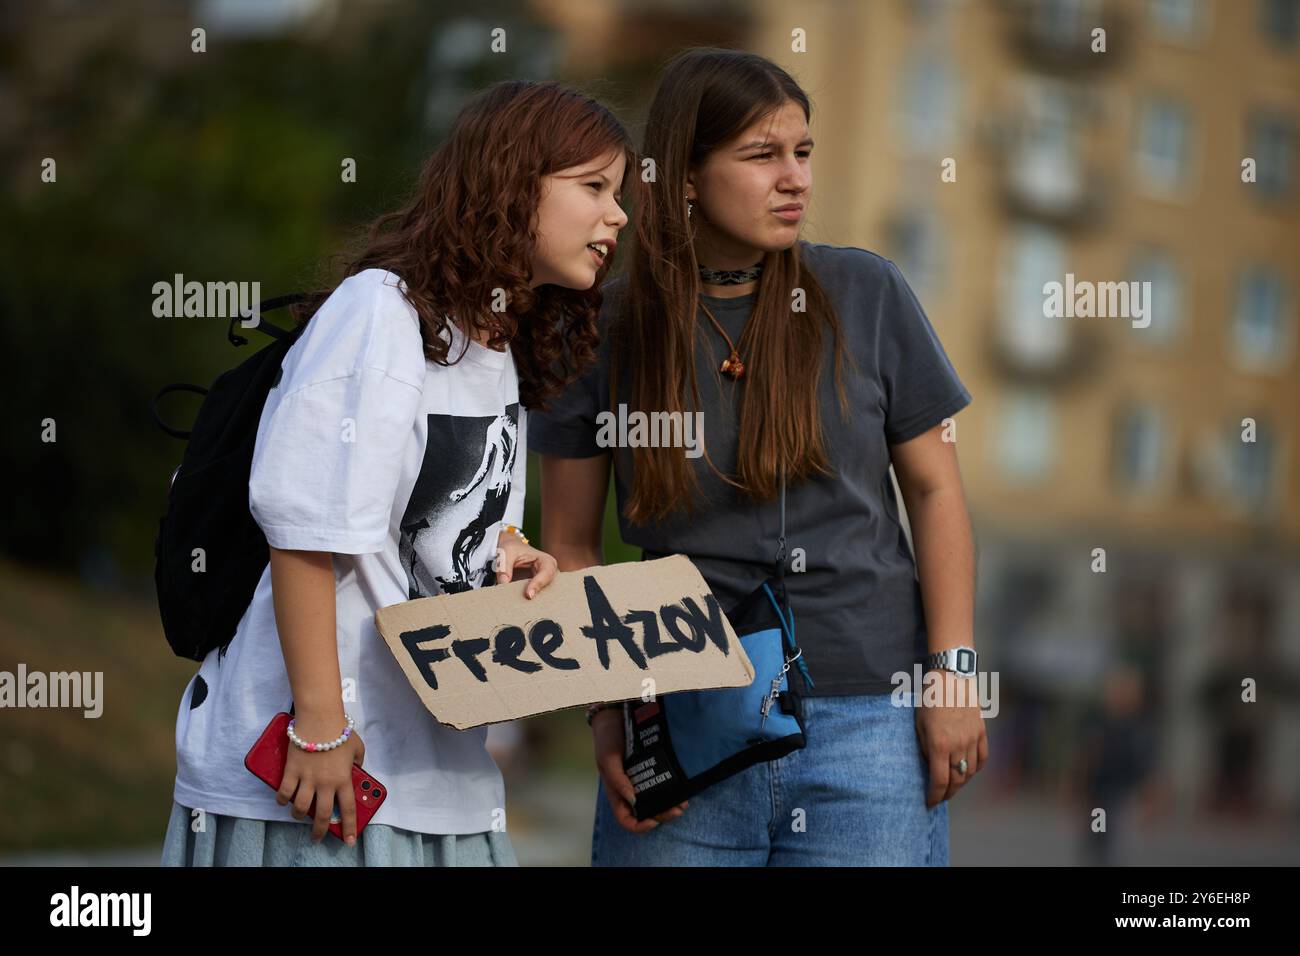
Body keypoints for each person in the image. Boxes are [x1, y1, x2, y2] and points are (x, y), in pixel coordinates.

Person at [530, 49, 986, 866]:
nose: (795, 179)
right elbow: (570, 542)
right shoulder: (603, 323)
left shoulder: (866, 293)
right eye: (762, 155)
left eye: (803, 153)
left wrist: (952, 673)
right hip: (679, 718)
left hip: (869, 723)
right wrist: (608, 712)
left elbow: (937, 492)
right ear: (688, 177)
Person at [161, 80, 631, 866]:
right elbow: (304, 529)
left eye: (619, 193)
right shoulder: (381, 312)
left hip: (438, 776)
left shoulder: (493, 343)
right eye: (594, 187)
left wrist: (510, 552)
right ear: (513, 181)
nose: (618, 214)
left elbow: (438, 522)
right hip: (321, 782)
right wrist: (317, 726)